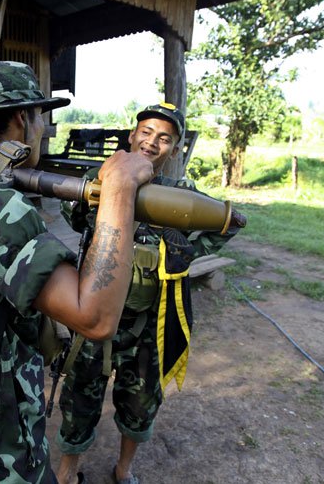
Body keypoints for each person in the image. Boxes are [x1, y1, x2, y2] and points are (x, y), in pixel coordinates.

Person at [0, 61, 155, 483]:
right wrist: (120, 191)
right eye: (39, 118)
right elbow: (94, 317)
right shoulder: (0, 209)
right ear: (23, 119)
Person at [55, 103, 244, 484]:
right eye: (146, 132)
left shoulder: (181, 196)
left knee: (140, 403)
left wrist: (184, 252)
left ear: (174, 150)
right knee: (78, 398)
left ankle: (124, 470)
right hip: (94, 319)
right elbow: (73, 213)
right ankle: (67, 470)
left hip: (146, 325)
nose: (152, 142)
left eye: (164, 139)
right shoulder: (100, 178)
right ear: (132, 136)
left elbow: (230, 223)